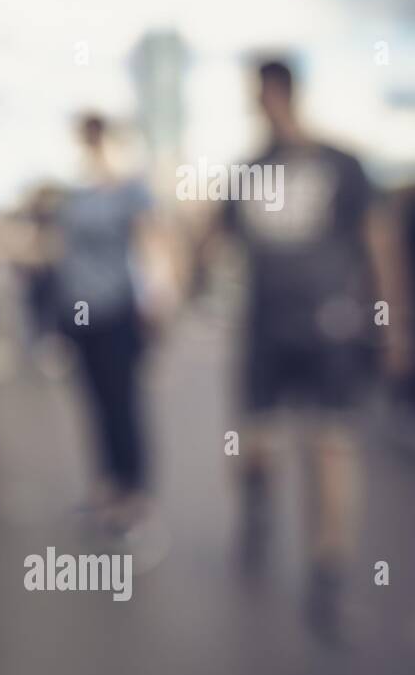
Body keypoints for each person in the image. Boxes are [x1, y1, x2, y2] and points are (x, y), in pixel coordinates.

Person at [198, 59, 411, 638]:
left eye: (261, 94)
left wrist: (391, 324)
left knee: (331, 447)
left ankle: (329, 574)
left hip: (330, 332)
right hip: (265, 330)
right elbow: (213, 238)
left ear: (279, 92)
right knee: (255, 447)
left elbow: (378, 242)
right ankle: (258, 509)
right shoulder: (247, 172)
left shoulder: (341, 165)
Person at [52, 114, 164, 544]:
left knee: (124, 405)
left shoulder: (130, 189)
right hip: (81, 315)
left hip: (118, 311)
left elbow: (151, 244)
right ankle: (106, 486)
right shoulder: (75, 194)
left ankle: (133, 493)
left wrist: (155, 303)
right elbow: (62, 250)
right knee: (94, 404)